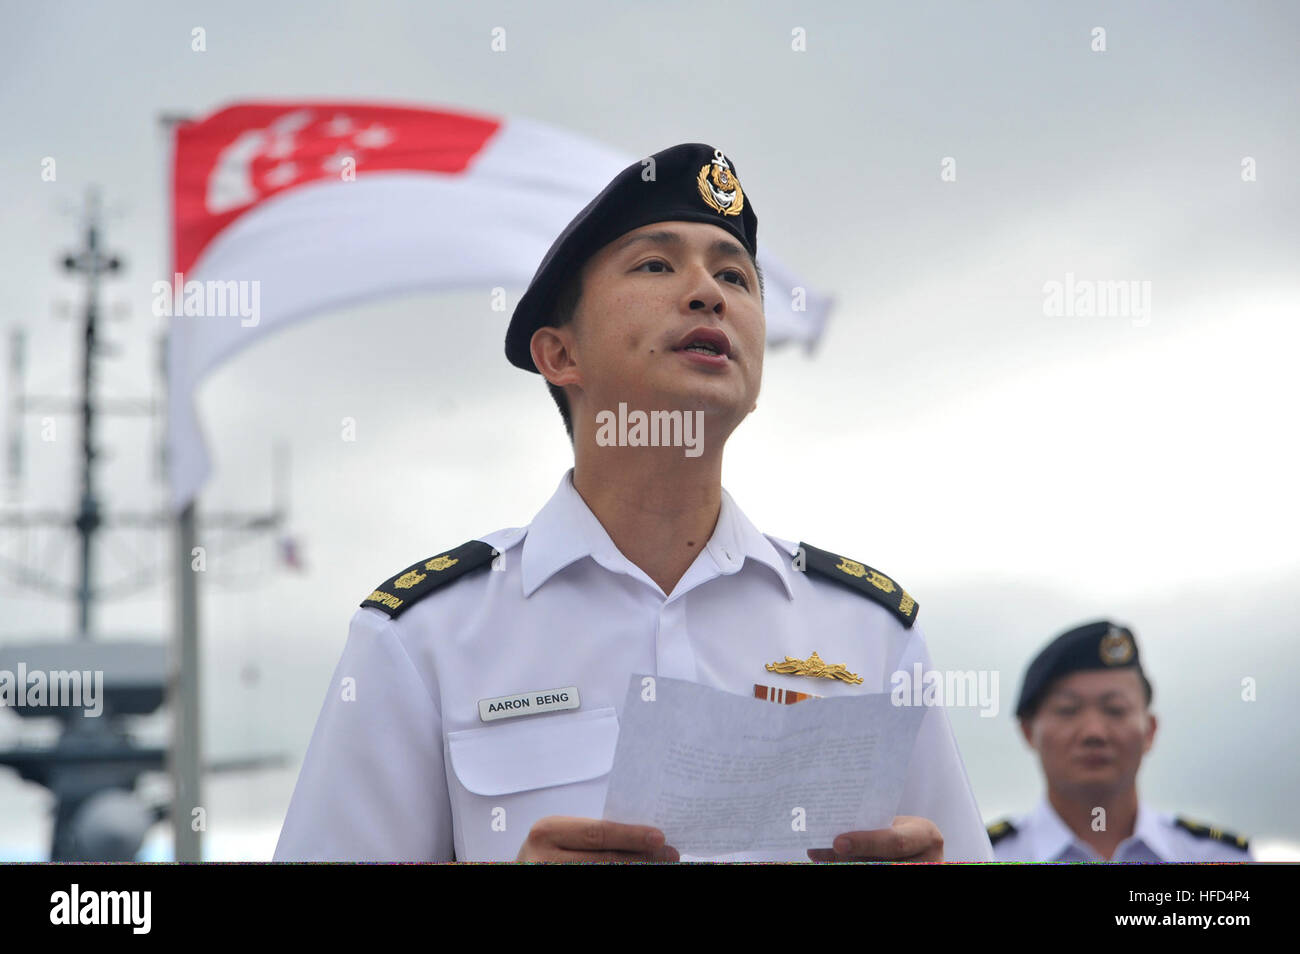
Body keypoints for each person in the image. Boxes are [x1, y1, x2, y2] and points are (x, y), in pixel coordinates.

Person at [273, 142, 993, 862]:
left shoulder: (871, 637)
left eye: (735, 276)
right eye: (656, 265)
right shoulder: (421, 640)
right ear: (560, 355)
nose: (708, 292)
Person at [986, 620, 1253, 862]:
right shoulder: (981, 855)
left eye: (1115, 709)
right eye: (1068, 709)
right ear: (1028, 732)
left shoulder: (1219, 856)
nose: (1094, 733)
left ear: (1150, 730)